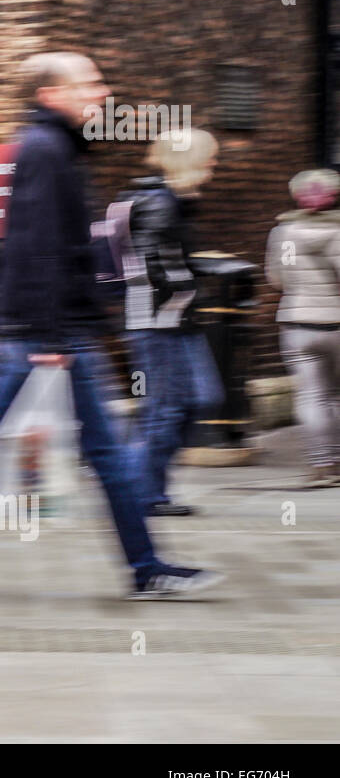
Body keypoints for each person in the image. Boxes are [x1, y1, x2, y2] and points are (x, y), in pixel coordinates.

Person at [0, 52, 224, 600]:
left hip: (53, 330)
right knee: (10, 449)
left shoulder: (58, 149)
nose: (102, 91)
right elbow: (36, 249)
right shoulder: (44, 151)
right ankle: (145, 569)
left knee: (94, 453)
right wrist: (50, 338)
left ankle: (146, 568)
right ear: (52, 94)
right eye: (88, 84)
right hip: (44, 333)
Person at [120, 129, 224, 515]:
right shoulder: (159, 202)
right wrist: (190, 287)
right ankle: (142, 494)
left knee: (197, 398)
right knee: (165, 408)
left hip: (174, 321)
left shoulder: (169, 199)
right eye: (210, 157)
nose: (215, 164)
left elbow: (168, 258)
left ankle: (140, 485)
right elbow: (152, 269)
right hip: (158, 322)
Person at [265, 168, 340, 487]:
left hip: (297, 324)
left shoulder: (284, 233)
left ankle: (320, 463)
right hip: (336, 323)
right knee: (335, 395)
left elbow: (276, 279)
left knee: (311, 396)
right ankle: (336, 461)